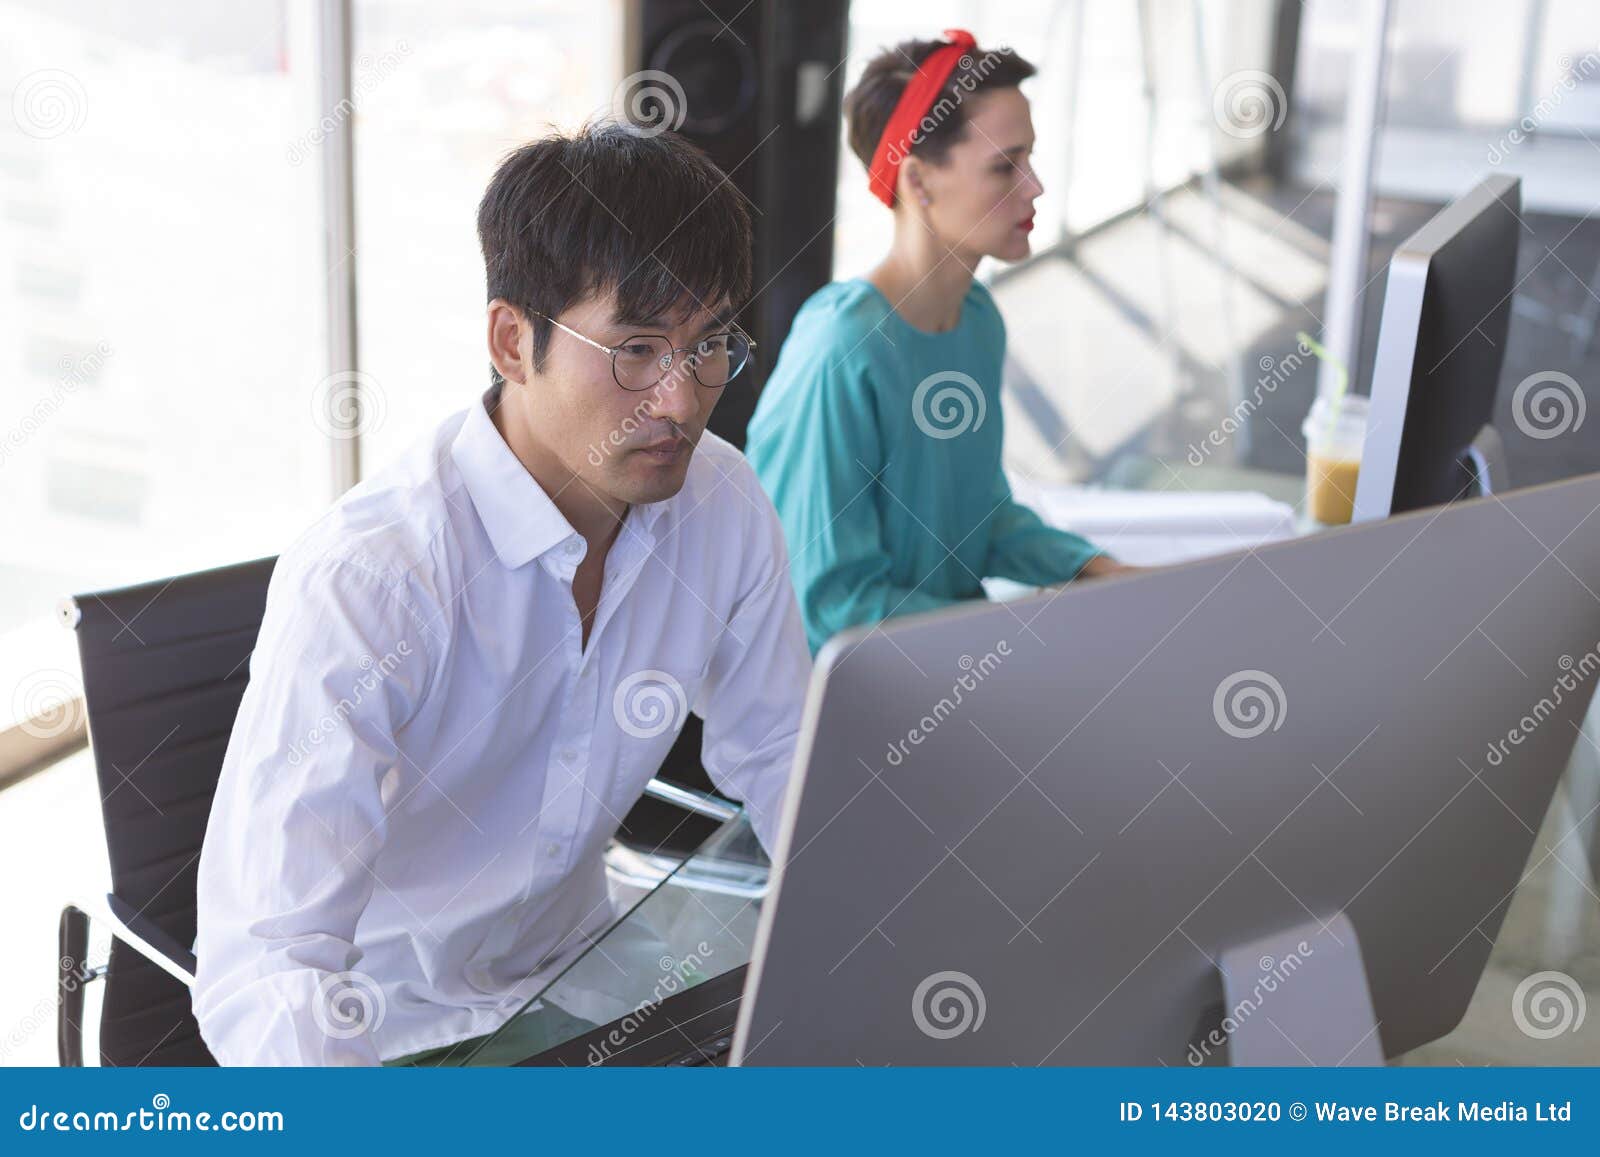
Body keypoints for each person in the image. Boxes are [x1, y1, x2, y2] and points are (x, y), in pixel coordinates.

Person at [192, 123, 811, 1066]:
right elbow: (272, 964)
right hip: (388, 1036)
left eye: (710, 343)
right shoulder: (377, 578)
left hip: (587, 988)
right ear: (512, 340)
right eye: (637, 349)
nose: (683, 401)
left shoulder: (718, 501)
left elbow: (782, 752)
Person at [746, 30, 1134, 655]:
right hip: (836, 709)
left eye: (1029, 159)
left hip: (946, 670)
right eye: (1005, 166)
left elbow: (983, 513)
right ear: (919, 183)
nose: (1034, 187)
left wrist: (1096, 570)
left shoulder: (977, 319)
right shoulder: (841, 350)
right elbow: (835, 605)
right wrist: (1009, 636)